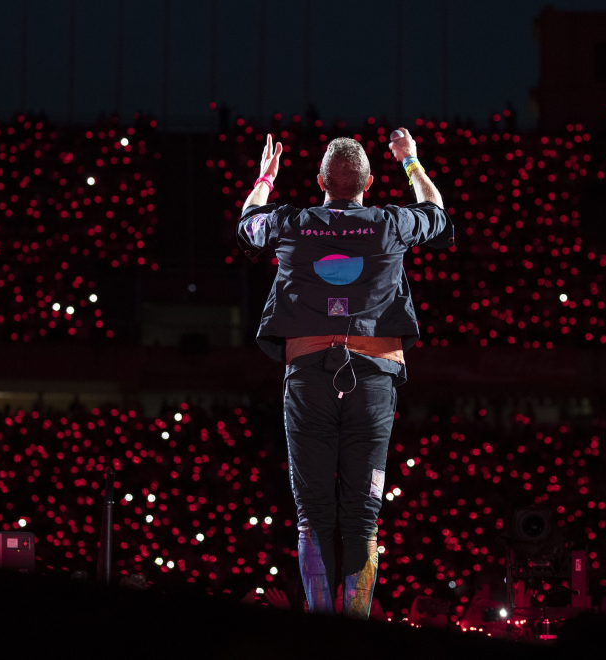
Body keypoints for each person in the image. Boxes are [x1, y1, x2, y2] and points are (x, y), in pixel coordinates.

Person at [236, 129, 453, 618]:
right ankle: (355, 632)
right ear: (369, 182)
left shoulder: (291, 221)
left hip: (309, 375)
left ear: (319, 181)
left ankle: (320, 634)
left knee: (313, 517)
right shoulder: (391, 222)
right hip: (374, 379)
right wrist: (412, 162)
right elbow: (437, 214)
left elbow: (247, 222)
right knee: (363, 518)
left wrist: (266, 179)